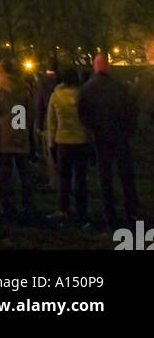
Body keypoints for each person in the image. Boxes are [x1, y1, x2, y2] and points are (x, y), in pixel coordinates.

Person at [78, 53, 140, 231]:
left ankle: (109, 212)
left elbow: (83, 114)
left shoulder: (87, 89)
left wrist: (92, 130)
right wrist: (128, 130)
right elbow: (131, 110)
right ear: (108, 67)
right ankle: (131, 210)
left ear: (94, 67)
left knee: (105, 177)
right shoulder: (119, 87)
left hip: (100, 138)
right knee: (126, 175)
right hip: (120, 136)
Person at [0, 58, 34, 220]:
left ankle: (8, 207)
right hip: (20, 132)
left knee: (5, 174)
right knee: (24, 172)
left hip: (4, 134)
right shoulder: (23, 87)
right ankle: (28, 205)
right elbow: (30, 111)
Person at [47, 67, 91, 225]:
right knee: (81, 178)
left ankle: (63, 208)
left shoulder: (56, 96)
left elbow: (51, 122)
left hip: (63, 140)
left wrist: (51, 143)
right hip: (81, 140)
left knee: (64, 177)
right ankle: (82, 210)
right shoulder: (82, 95)